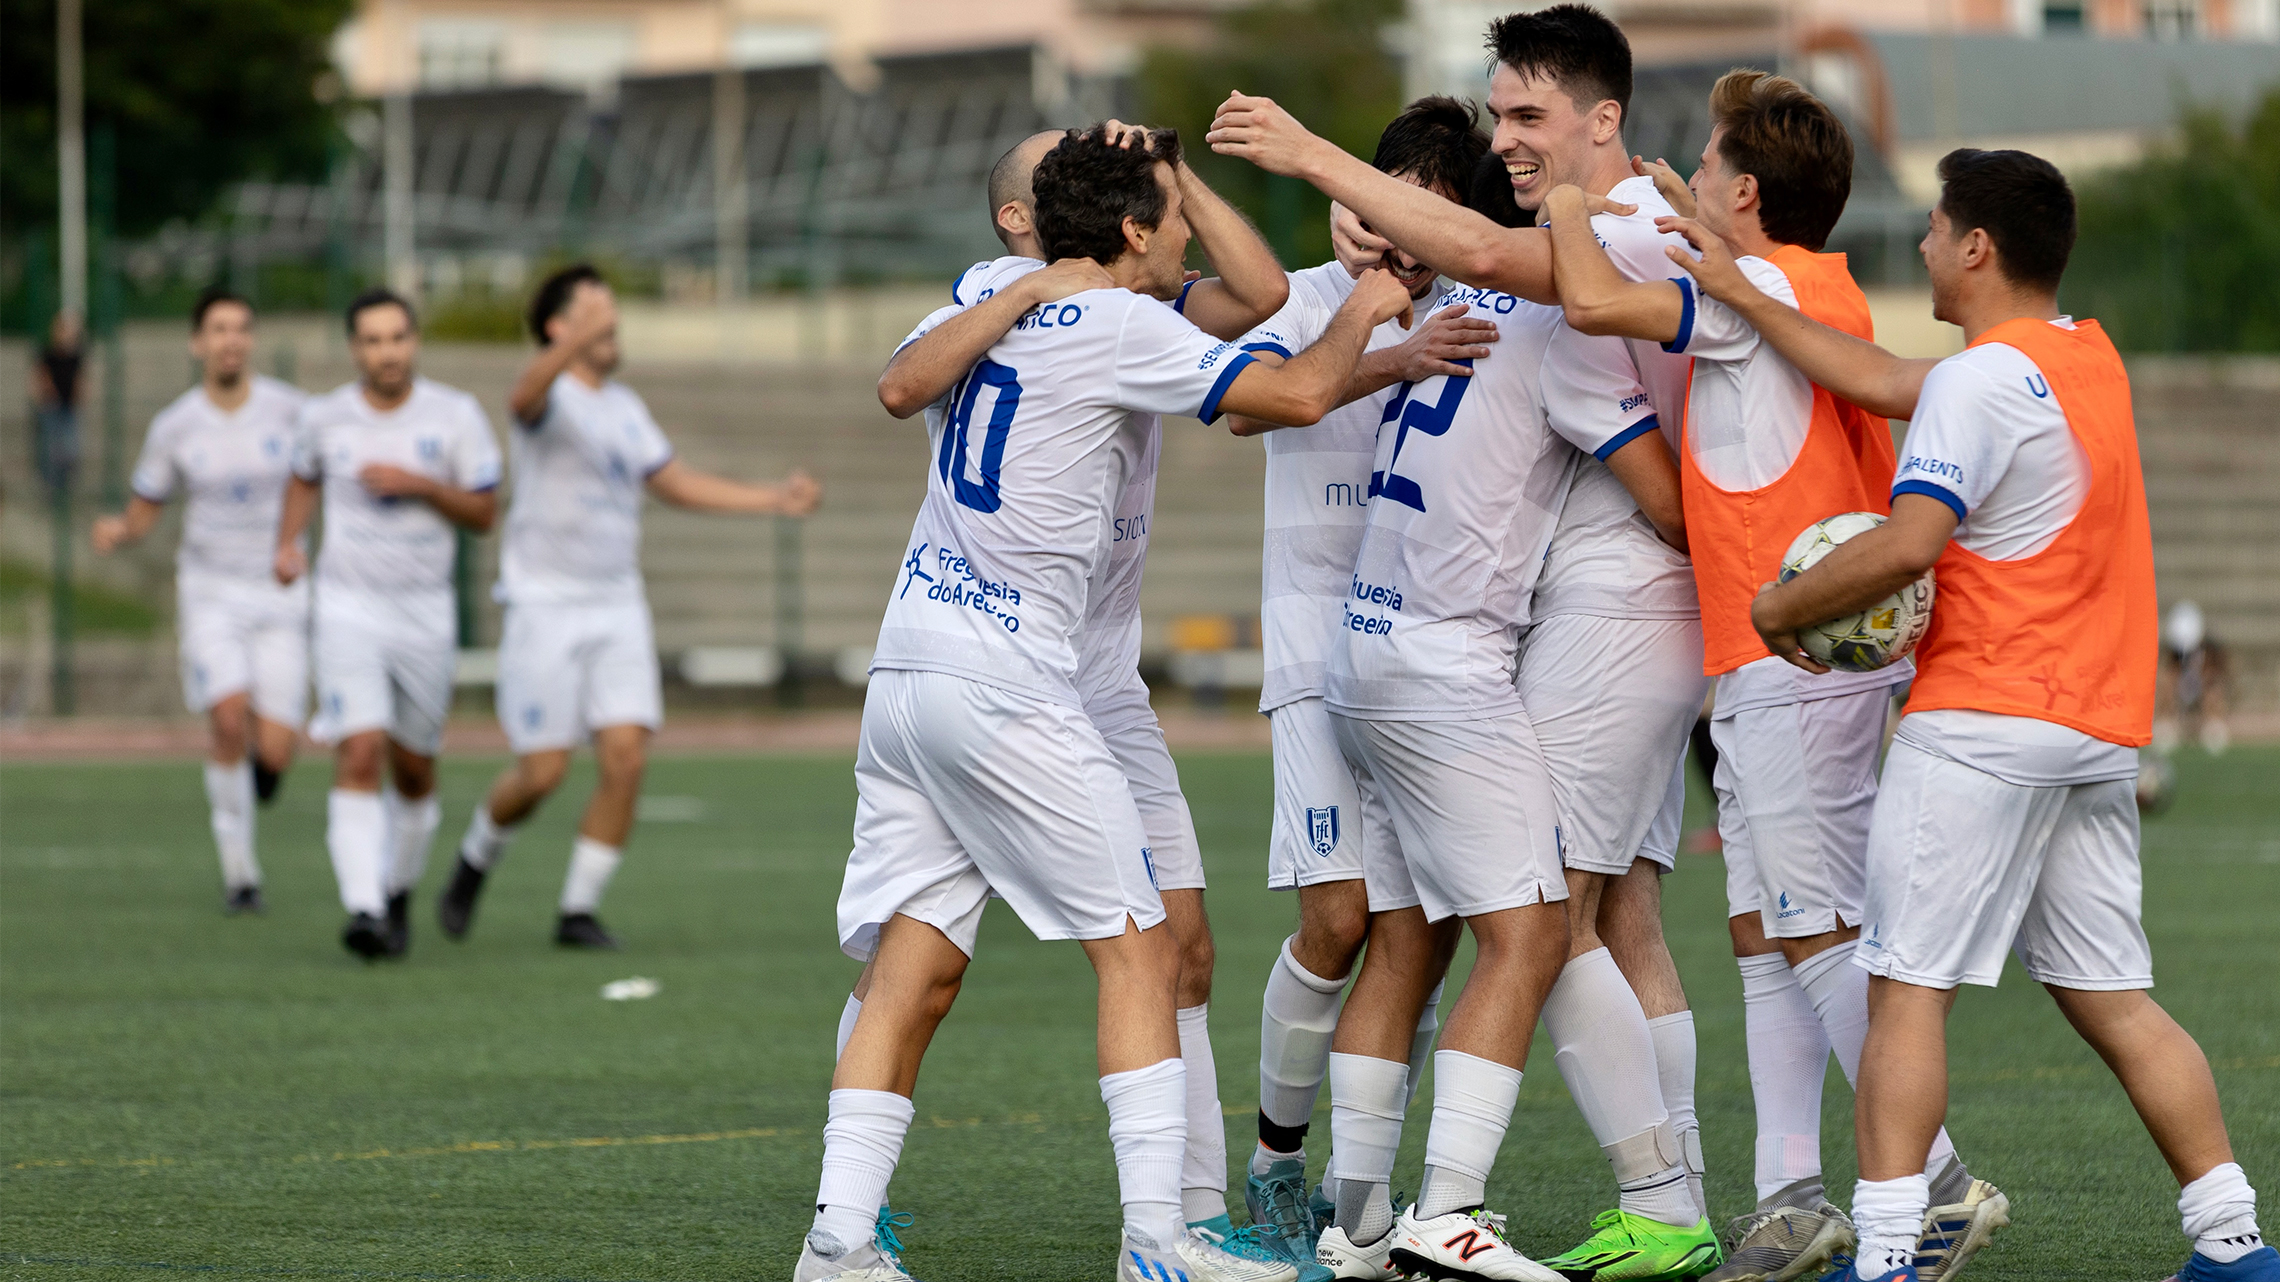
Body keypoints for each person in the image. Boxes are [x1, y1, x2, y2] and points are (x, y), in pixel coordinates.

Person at [801, 124, 1414, 1282]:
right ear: (1128, 229)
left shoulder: (998, 292)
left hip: (918, 663)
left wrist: (1163, 186)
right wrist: (1371, 310)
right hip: (1013, 681)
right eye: (1168, 215)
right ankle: (1158, 1244)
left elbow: (1250, 292)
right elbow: (1295, 386)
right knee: (1140, 950)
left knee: (914, 962)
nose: (1185, 235)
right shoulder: (1118, 321)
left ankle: (836, 1241)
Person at [1680, 146, 2278, 1282]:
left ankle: (1887, 1255)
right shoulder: (2083, 357)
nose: (1920, 244)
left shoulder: (1977, 383)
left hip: (1984, 721)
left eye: (1934, 226)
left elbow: (1910, 542)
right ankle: (2234, 1241)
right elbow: (1878, 378)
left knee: (1904, 990)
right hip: (2094, 730)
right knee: (2116, 999)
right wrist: (1742, 292)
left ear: (1975, 246)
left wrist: (1779, 607)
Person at [1211, 12, 1722, 1277]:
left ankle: (1361, 1221)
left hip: (1369, 650)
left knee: (1450, 931)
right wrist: (1771, 560)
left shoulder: (1498, 289)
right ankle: (1481, 1206)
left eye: (1524, 117)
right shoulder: (1554, 315)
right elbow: (1665, 503)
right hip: (1456, 659)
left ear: (1601, 120)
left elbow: (1491, 262)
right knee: (1543, 928)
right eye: (1501, 121)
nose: (1508, 140)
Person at [1540, 67, 2009, 1281]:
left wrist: (1569, 204)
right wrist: (1675, 205)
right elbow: (1723, 255)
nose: (1686, 173)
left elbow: (1587, 301)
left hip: (1792, 662)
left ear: (1746, 194)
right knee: (1766, 933)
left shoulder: (1753, 297)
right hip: (1787, 663)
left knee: (1816, 929)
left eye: (1705, 165)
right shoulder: (1815, 281)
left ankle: (1940, 1181)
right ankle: (1794, 1196)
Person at [1221, 97, 1508, 1276]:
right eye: (1383, 198)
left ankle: (1367, 1206)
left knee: (1419, 934)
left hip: (1424, 658)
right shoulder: (1298, 297)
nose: (1393, 229)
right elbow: (1250, 411)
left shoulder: (1487, 310)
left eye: (1425, 209)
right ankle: (1274, 1163)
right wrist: (1384, 340)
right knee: (1338, 919)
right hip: (1311, 650)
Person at [438, 265, 821, 950]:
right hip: (544, 605)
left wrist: (773, 499)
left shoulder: (624, 406)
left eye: (610, 309)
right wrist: (567, 345)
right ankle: (476, 856)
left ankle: (577, 911)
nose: (609, 320)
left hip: (616, 603)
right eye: (593, 310)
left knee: (627, 761)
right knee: (542, 773)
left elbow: (673, 481)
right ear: (557, 327)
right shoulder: (551, 396)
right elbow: (522, 396)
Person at [275, 289, 501, 960]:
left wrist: (420, 484)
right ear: (355, 349)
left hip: (425, 614)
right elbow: (303, 477)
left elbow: (485, 512)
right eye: (373, 341)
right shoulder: (324, 418)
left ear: (414, 341)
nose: (387, 352)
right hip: (347, 608)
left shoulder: (456, 415)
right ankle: (366, 908)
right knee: (359, 750)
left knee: (414, 770)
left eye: (397, 338)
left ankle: (397, 890)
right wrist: (288, 544)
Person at [93, 289, 309, 913]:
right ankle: (241, 875)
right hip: (211, 592)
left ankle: (265, 770)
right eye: (218, 329)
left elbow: (318, 481)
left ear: (252, 340)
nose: (230, 340)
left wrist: (294, 544)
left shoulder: (291, 411)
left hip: (280, 592)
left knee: (276, 748)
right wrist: (120, 530)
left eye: (241, 328)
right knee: (226, 718)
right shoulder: (176, 425)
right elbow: (147, 506)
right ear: (197, 344)